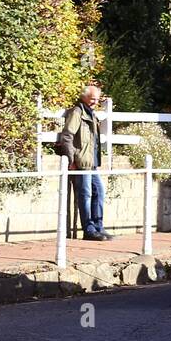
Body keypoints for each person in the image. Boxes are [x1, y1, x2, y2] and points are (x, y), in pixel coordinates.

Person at [59, 84, 111, 241]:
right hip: (81, 162)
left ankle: (98, 227)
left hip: (92, 163)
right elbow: (67, 136)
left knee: (99, 192)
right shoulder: (78, 112)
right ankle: (89, 230)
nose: (95, 102)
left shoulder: (92, 115)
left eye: (97, 99)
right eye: (92, 99)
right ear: (84, 97)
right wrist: (71, 159)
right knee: (85, 195)